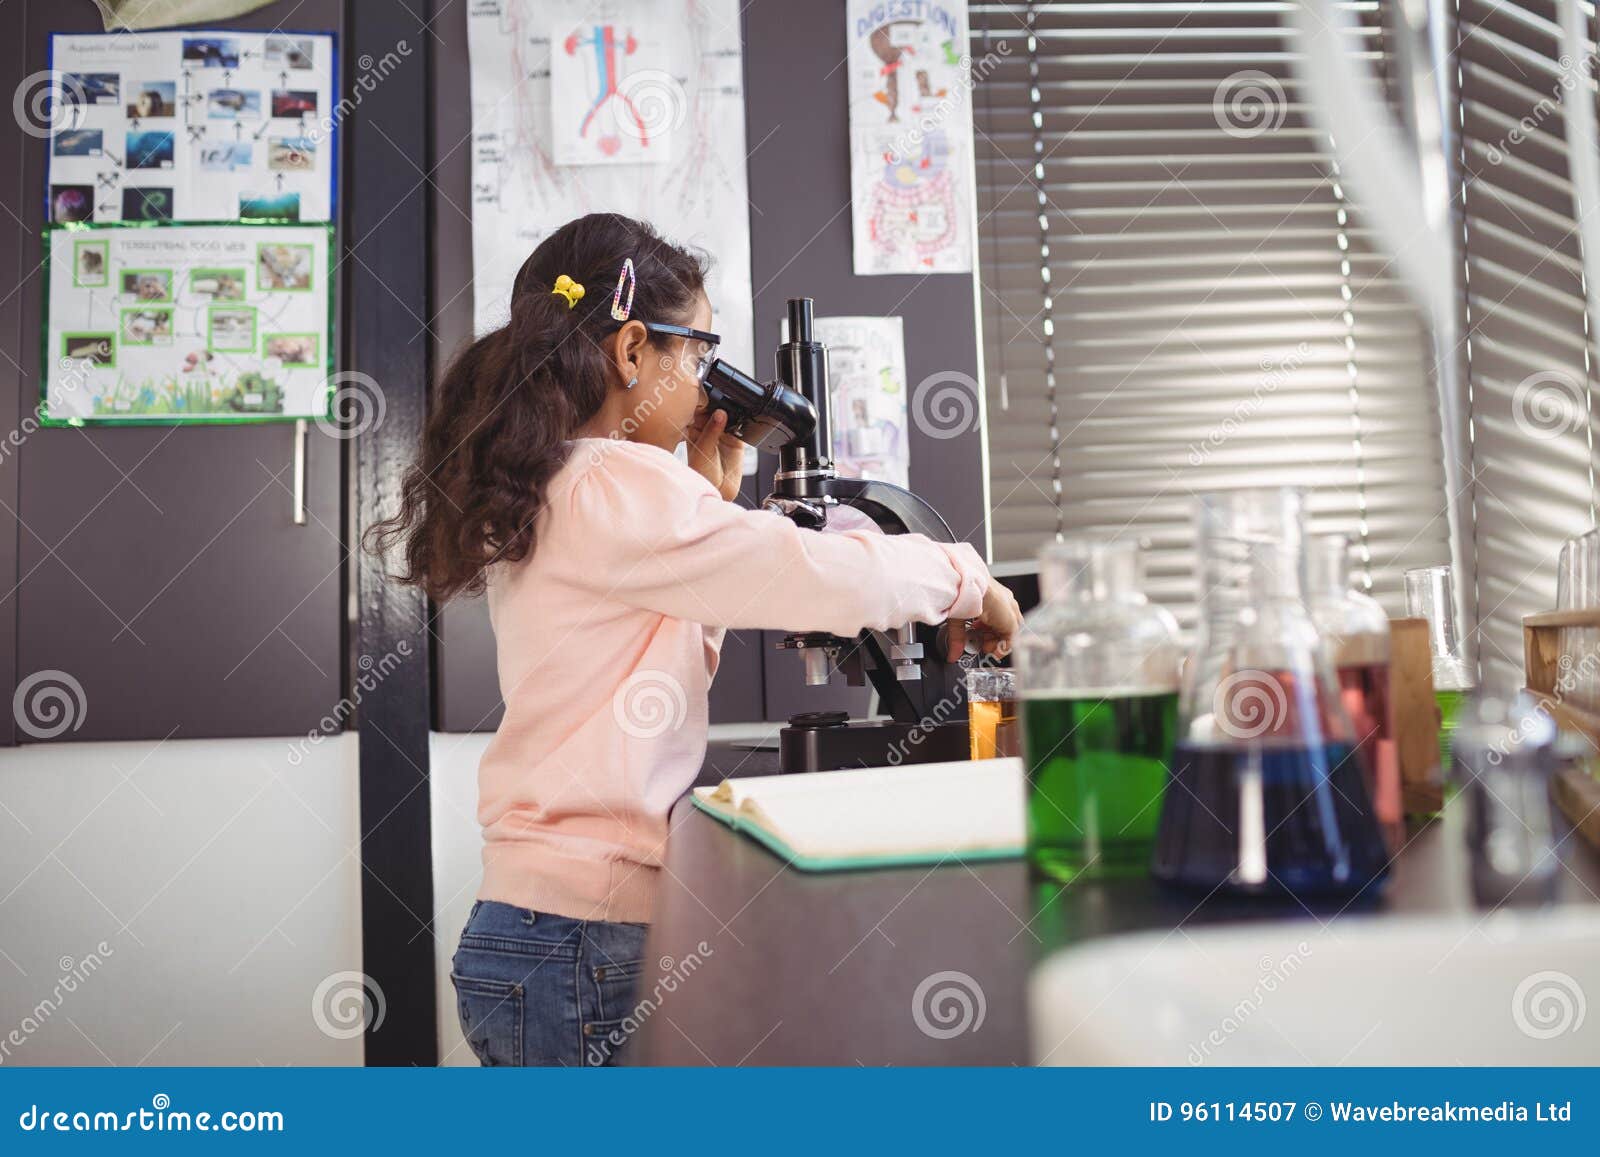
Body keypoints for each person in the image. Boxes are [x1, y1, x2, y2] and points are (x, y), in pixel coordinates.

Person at [370, 212, 1020, 1066]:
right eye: (702, 355)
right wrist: (969, 578)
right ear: (634, 350)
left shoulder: (561, 482)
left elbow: (660, 640)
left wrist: (708, 505)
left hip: (540, 930)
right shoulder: (612, 479)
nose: (709, 384)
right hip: (580, 940)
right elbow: (805, 572)